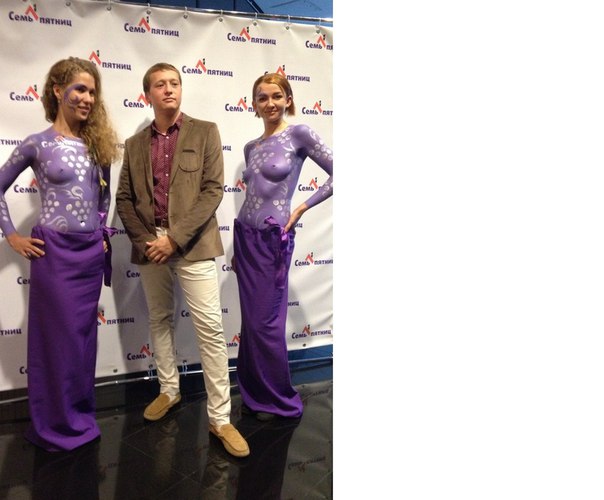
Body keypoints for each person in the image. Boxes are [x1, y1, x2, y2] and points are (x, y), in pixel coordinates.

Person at [115, 62, 249, 458]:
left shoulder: (205, 131)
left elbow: (212, 191)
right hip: (150, 246)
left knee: (210, 329)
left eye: (174, 82)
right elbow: (124, 199)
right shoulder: (134, 144)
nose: (169, 89)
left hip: (192, 244)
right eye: (161, 84)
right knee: (159, 319)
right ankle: (169, 390)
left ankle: (220, 418)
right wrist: (148, 241)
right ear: (148, 95)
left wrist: (173, 239)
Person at [0, 57, 120, 451]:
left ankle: (79, 417)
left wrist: (102, 231)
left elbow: (103, 196)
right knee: (57, 341)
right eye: (80, 89)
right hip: (54, 257)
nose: (88, 98)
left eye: (92, 91)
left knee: (82, 341)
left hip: (89, 257)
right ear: (57, 90)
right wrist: (12, 237)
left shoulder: (97, 144)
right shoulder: (37, 144)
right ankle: (53, 423)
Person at [233, 73, 333, 421]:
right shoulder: (251, 147)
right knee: (251, 322)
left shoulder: (299, 134)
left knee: (266, 323)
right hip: (244, 238)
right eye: (262, 97)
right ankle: (253, 392)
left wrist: (302, 207)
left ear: (288, 99)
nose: (270, 103)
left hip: (272, 241)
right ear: (254, 104)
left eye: (277, 96)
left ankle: (277, 399)